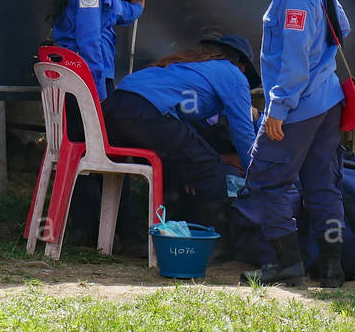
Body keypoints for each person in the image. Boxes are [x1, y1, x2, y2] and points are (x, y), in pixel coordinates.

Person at [235, 0, 349, 288]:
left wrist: (277, 109)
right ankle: (331, 268)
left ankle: (286, 264)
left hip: (299, 105)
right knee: (321, 183)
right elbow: (341, 29)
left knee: (267, 179)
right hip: (328, 99)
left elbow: (295, 60)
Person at [102, 34, 258, 231]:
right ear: (241, 65)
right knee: (210, 171)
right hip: (145, 112)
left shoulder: (184, 67)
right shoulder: (233, 74)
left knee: (166, 169)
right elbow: (244, 135)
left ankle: (134, 236)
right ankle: (208, 243)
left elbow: (185, 131)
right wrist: (259, 177)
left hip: (113, 109)